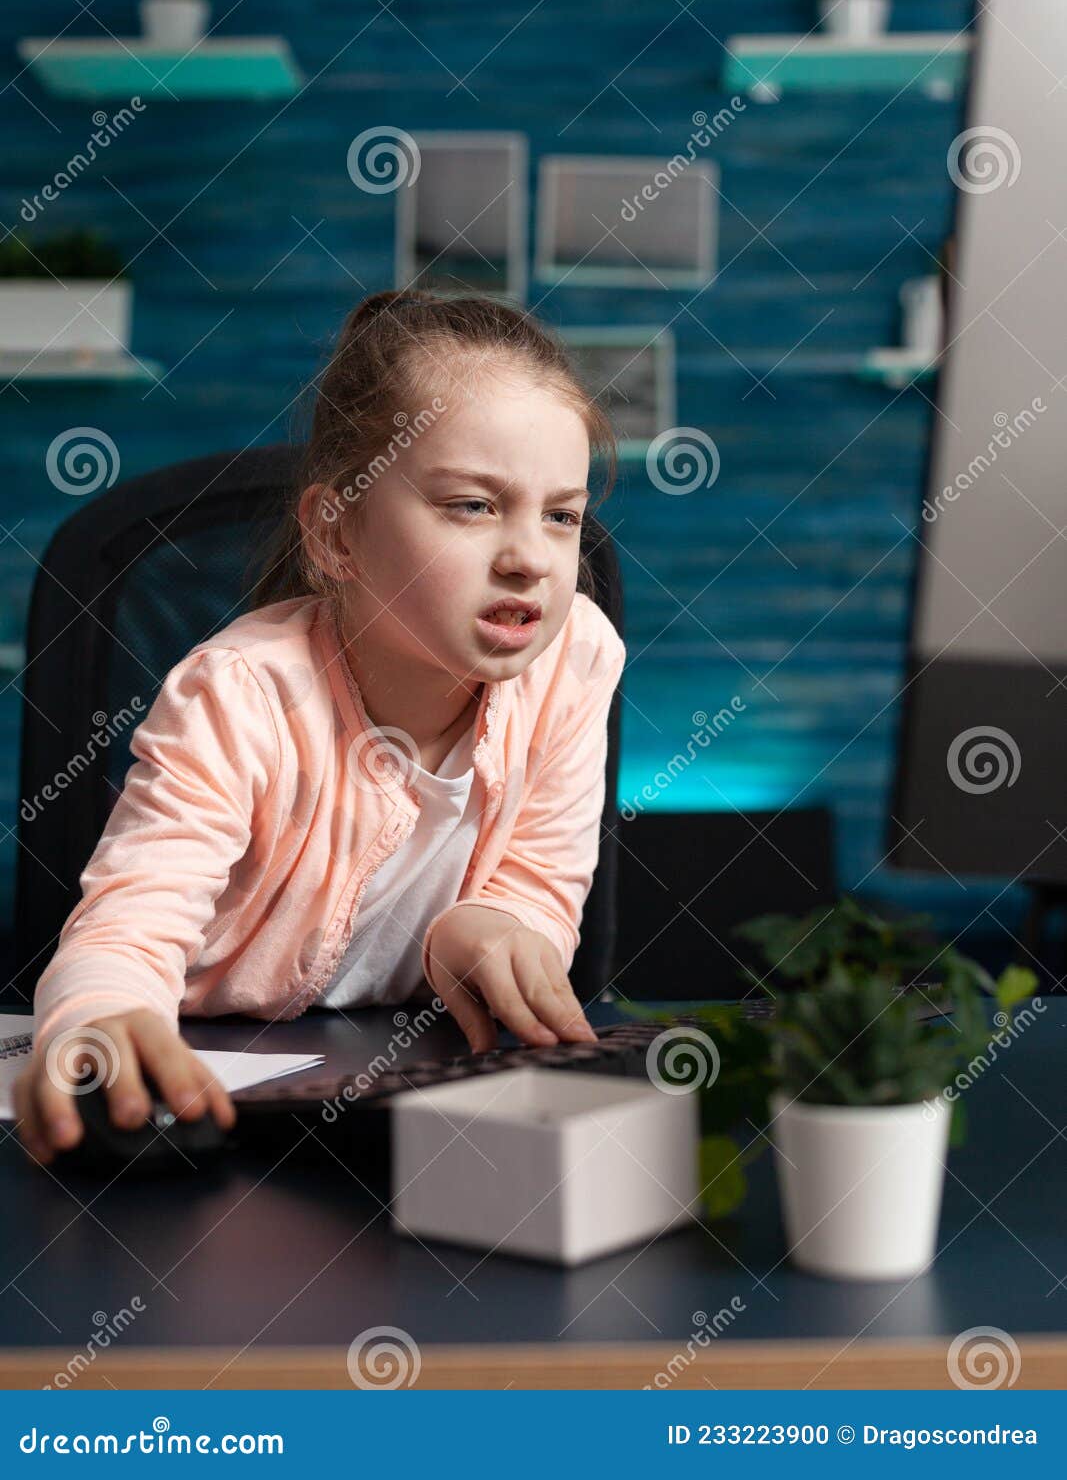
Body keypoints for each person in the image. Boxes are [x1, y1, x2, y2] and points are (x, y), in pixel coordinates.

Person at [14, 290, 626, 1164]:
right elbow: (128, 927)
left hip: (410, 1107)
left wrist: (490, 924)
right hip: (211, 1104)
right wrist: (102, 1020)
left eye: (560, 515)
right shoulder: (236, 695)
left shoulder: (576, 657)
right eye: (471, 506)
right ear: (335, 535)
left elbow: (541, 879)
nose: (529, 557)